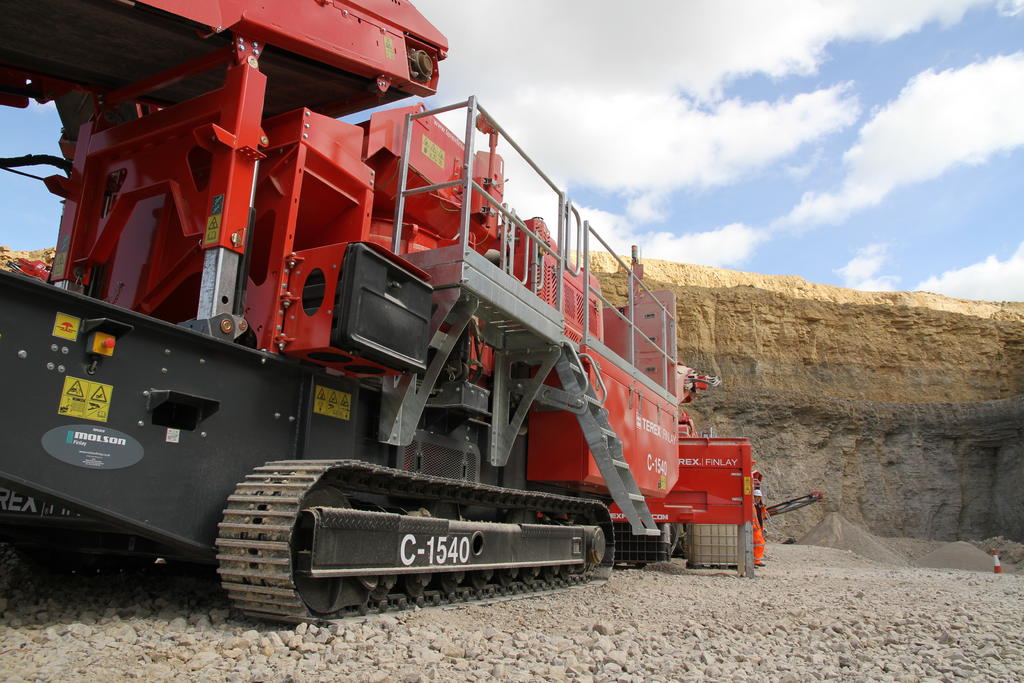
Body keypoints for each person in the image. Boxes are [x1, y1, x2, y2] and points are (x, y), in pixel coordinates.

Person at [752, 488, 767, 567]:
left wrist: (763, 508)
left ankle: (756, 560)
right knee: (759, 544)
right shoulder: (752, 506)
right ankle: (755, 561)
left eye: (759, 497)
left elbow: (762, 517)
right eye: (756, 497)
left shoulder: (758, 507)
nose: (758, 498)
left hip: (758, 528)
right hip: (755, 529)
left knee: (758, 545)